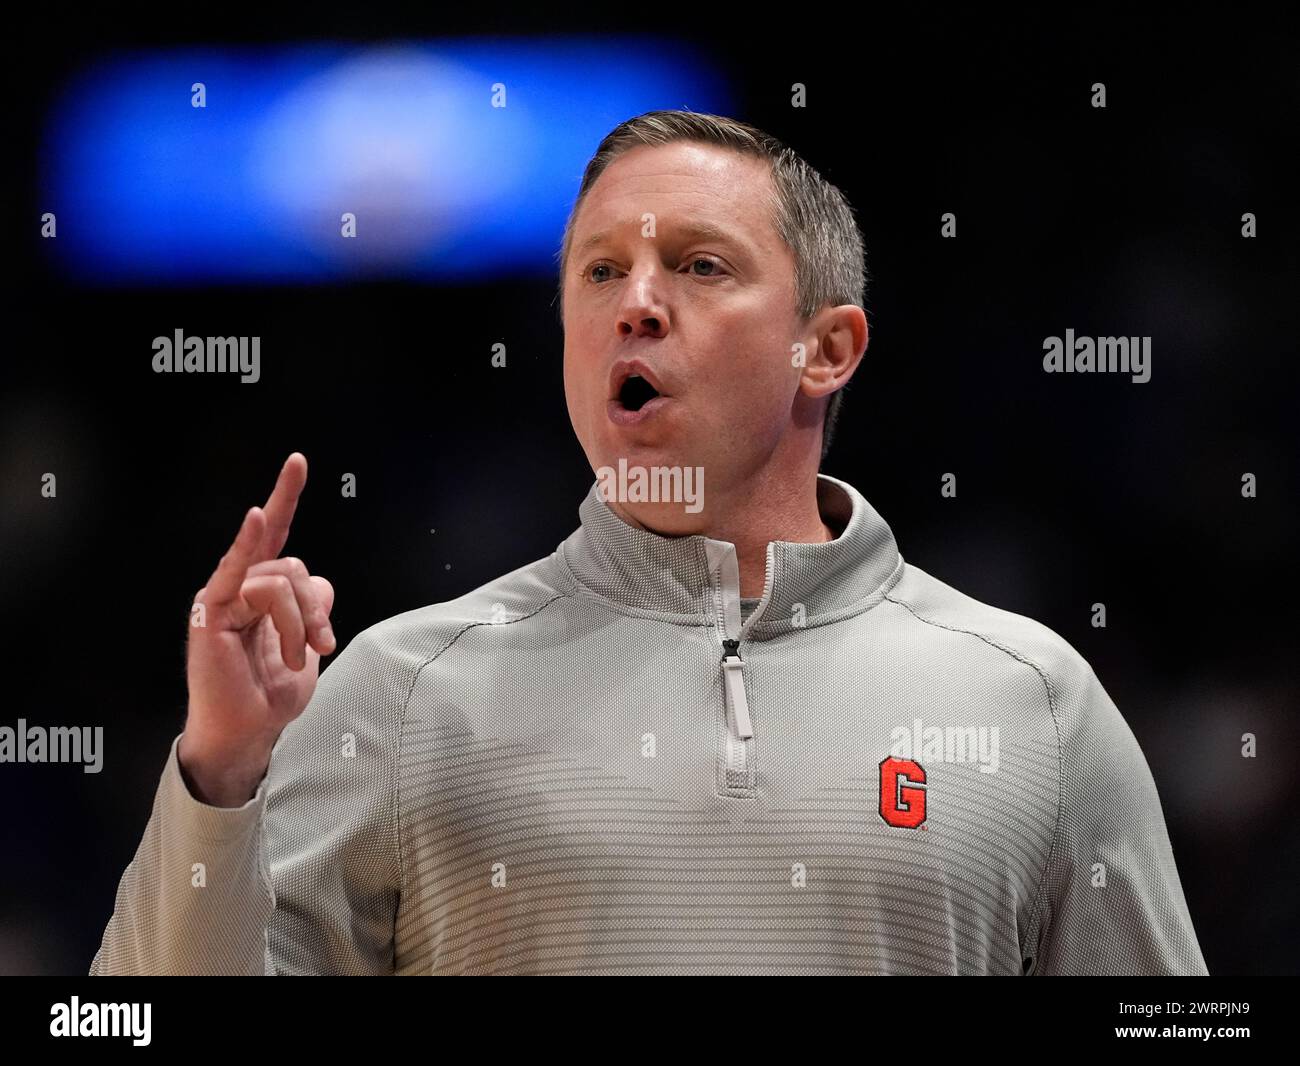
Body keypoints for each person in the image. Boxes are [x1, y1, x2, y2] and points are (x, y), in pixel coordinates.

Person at [90, 110, 1207, 975]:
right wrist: (221, 772)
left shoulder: (1034, 700)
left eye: (699, 266)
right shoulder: (401, 690)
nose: (636, 303)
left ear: (824, 348)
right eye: (600, 273)